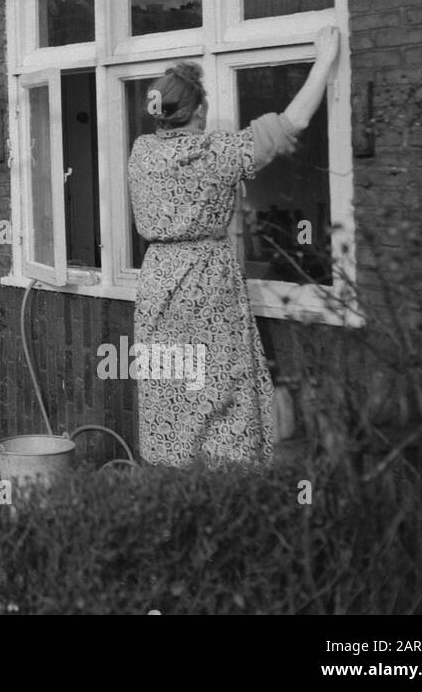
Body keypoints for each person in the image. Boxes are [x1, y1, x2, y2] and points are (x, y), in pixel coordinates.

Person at [127, 26, 341, 465]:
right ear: (199, 110)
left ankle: (172, 483)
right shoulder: (216, 153)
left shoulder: (141, 152)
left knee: (170, 383)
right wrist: (324, 60)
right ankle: (225, 486)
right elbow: (292, 123)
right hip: (205, 280)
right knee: (220, 389)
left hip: (157, 281)